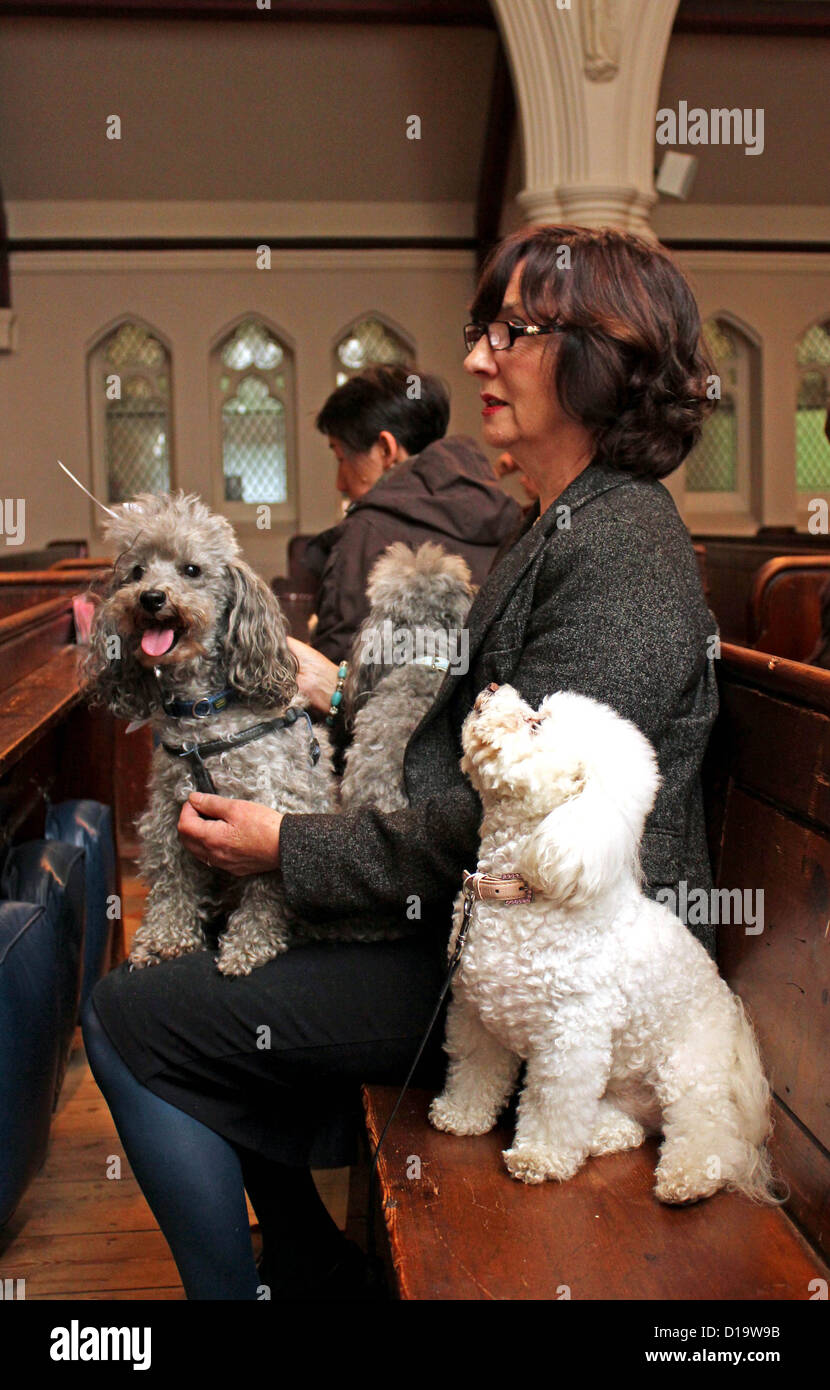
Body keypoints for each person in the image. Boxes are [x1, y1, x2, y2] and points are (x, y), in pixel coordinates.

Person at [83, 224, 720, 1301]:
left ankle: (271, 1278)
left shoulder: (620, 549)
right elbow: (476, 742)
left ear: (604, 354)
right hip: (486, 932)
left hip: (557, 974)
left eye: (509, 330)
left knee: (130, 1017)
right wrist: (340, 692)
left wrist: (292, 844)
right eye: (482, 329)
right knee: (182, 986)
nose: (474, 357)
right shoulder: (562, 521)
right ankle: (306, 1259)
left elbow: (523, 829)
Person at [305, 363, 523, 661]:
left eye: (342, 458)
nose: (339, 482)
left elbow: (332, 672)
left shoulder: (365, 532)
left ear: (385, 449)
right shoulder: (512, 519)